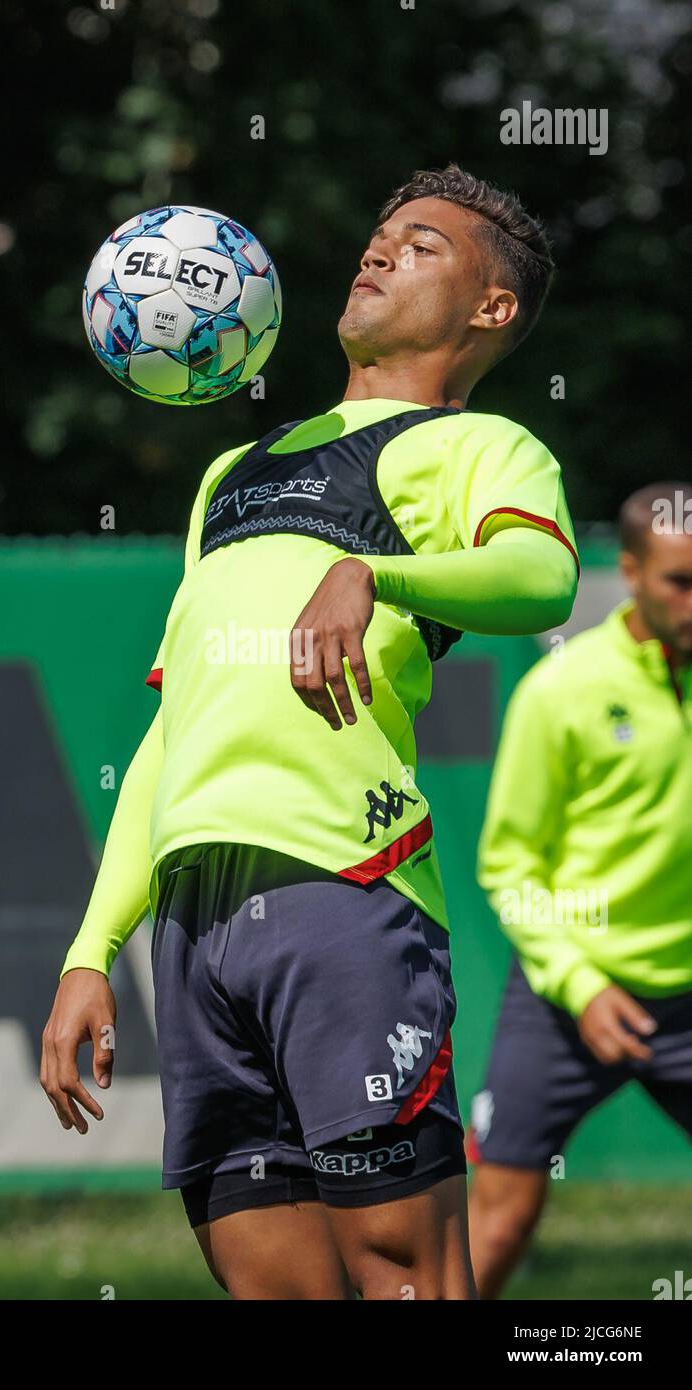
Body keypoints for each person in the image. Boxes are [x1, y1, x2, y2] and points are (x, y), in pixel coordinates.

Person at [40, 164, 578, 1300]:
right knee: (270, 1288)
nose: (379, 252)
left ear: (494, 309)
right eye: (381, 236)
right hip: (194, 926)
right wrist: (94, 948)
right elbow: (168, 733)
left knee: (405, 1275)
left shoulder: (479, 449)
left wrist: (370, 576)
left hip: (345, 889)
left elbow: (541, 577)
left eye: (423, 244)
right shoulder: (232, 474)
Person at [467, 482, 692, 1299]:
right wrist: (582, 984)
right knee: (497, 1223)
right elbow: (509, 868)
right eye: (679, 581)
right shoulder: (560, 691)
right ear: (630, 572)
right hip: (569, 992)